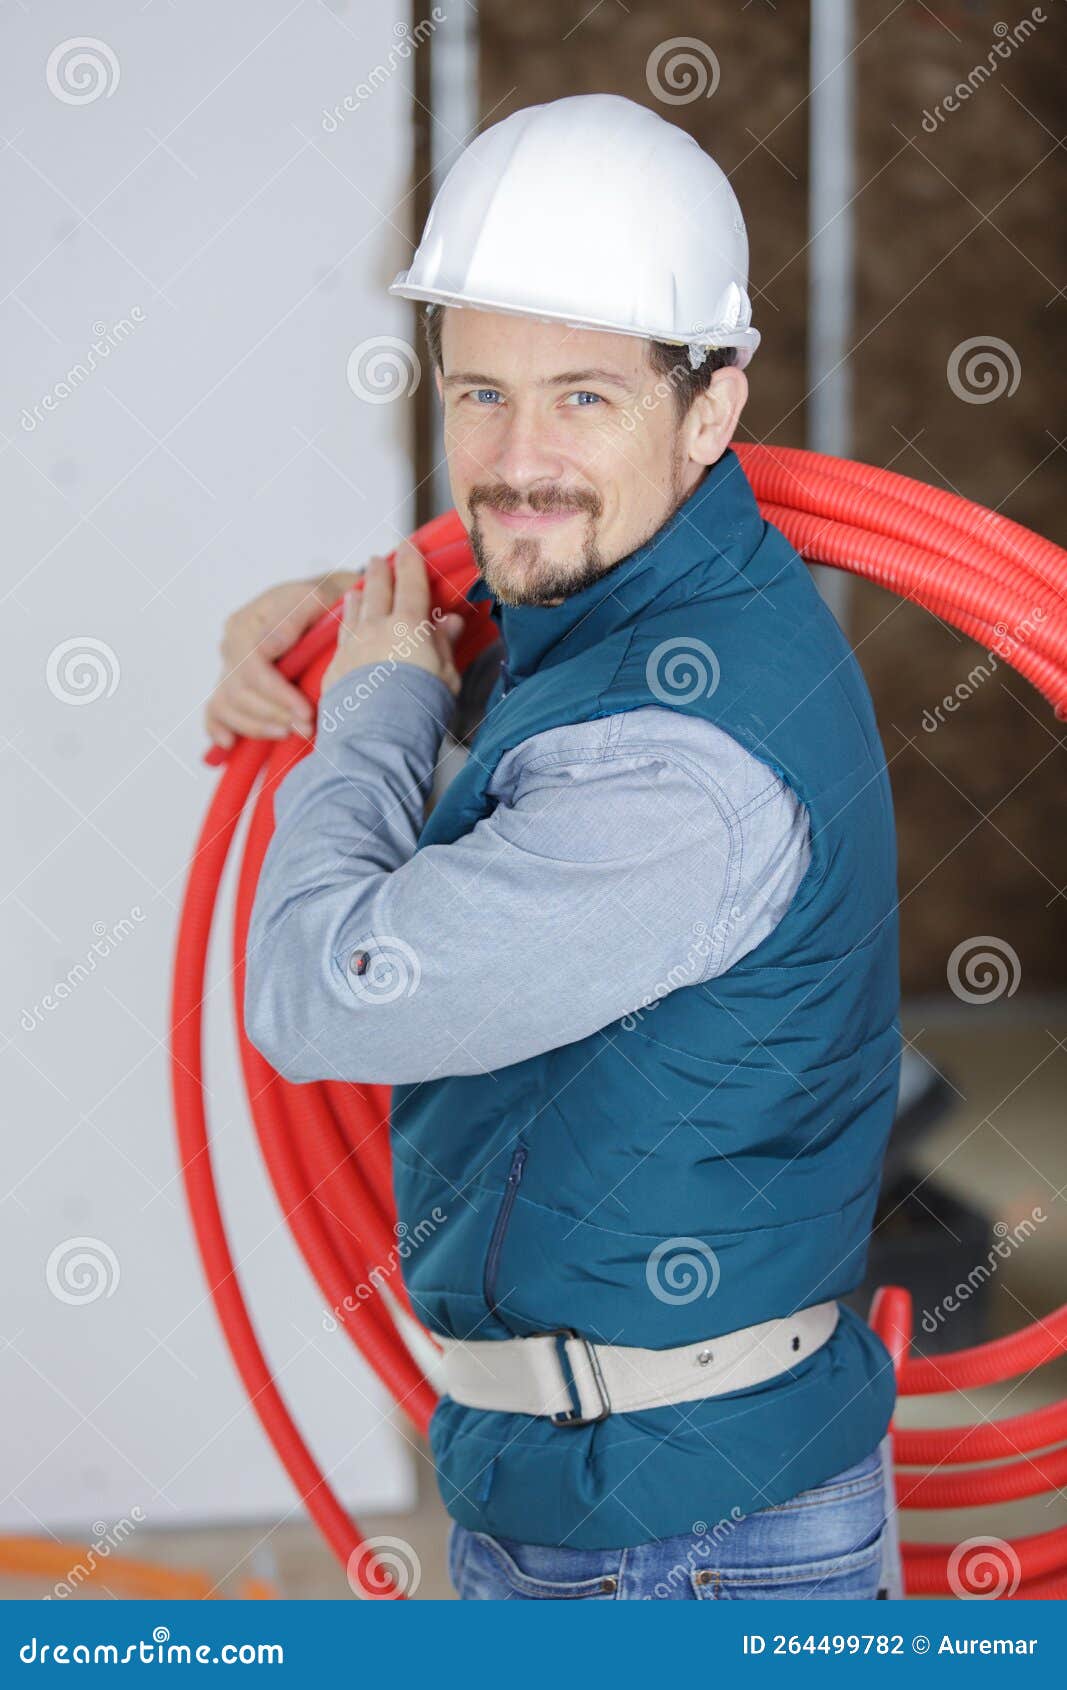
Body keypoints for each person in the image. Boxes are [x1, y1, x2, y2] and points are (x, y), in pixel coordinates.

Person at [210, 94, 904, 1601]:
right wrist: (355, 624)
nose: (516, 459)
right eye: (480, 393)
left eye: (584, 396)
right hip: (584, 1487)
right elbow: (549, 721)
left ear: (712, 407)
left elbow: (316, 988)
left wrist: (379, 701)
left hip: (677, 1542)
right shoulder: (639, 621)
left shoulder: (684, 775)